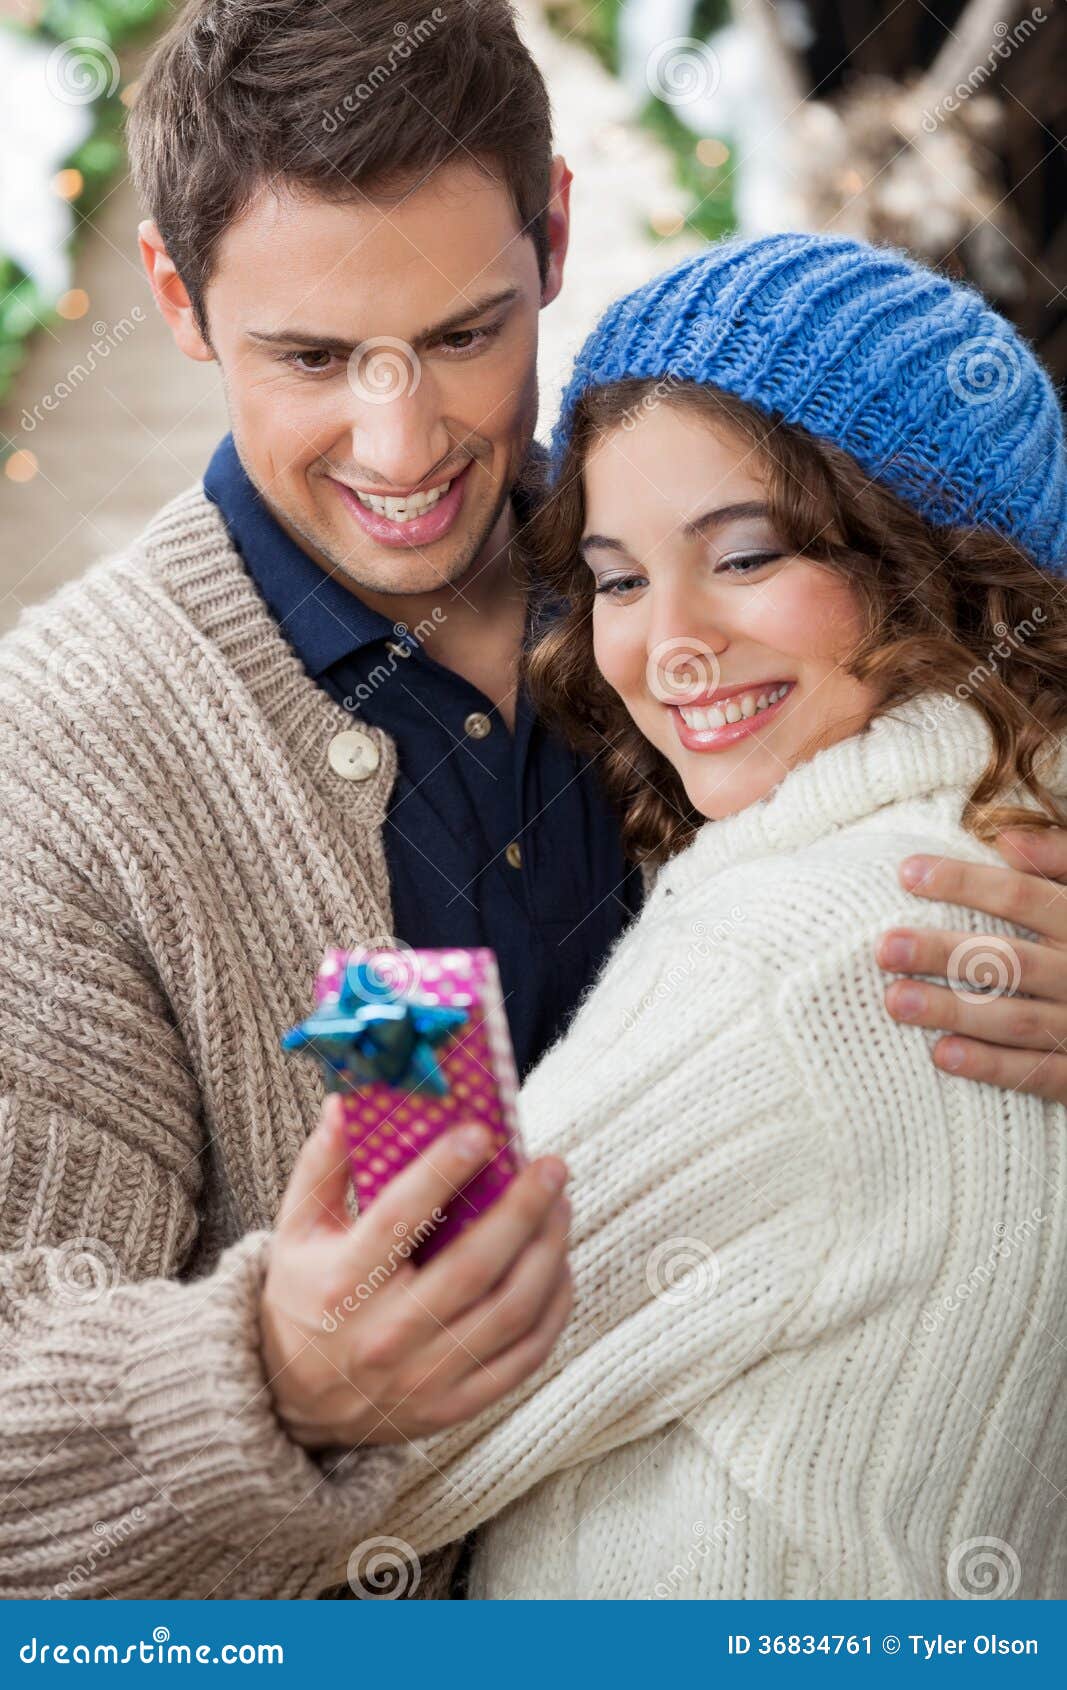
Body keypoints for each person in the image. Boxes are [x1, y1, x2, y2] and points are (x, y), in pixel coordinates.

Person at [0, 0, 1065, 1599]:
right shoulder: (64, 761)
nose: (404, 440)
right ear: (176, 296)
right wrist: (265, 1379)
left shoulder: (682, 560)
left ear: (554, 234)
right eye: (309, 356)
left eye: (461, 333)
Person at [360, 232, 1067, 1600]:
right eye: (617, 578)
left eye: (745, 557)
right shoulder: (998, 841)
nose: (664, 640)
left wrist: (368, 970)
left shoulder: (810, 955)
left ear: (934, 558)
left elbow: (387, 1412)